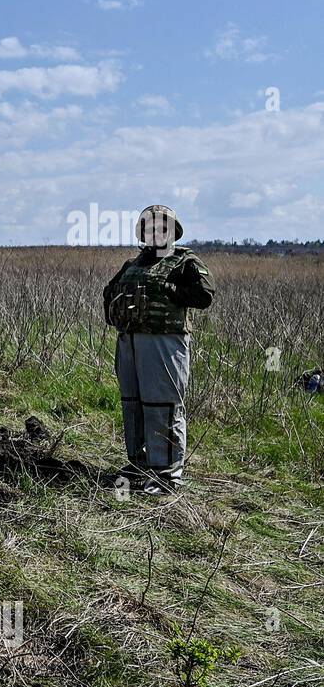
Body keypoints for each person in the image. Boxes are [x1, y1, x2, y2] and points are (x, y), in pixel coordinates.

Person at [103, 204, 215, 494]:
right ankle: (139, 463)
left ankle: (166, 474)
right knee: (133, 404)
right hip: (129, 341)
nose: (156, 232)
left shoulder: (184, 261)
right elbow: (109, 292)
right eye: (150, 227)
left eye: (162, 227)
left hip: (164, 342)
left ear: (172, 231)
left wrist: (171, 291)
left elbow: (204, 295)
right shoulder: (133, 264)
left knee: (162, 406)